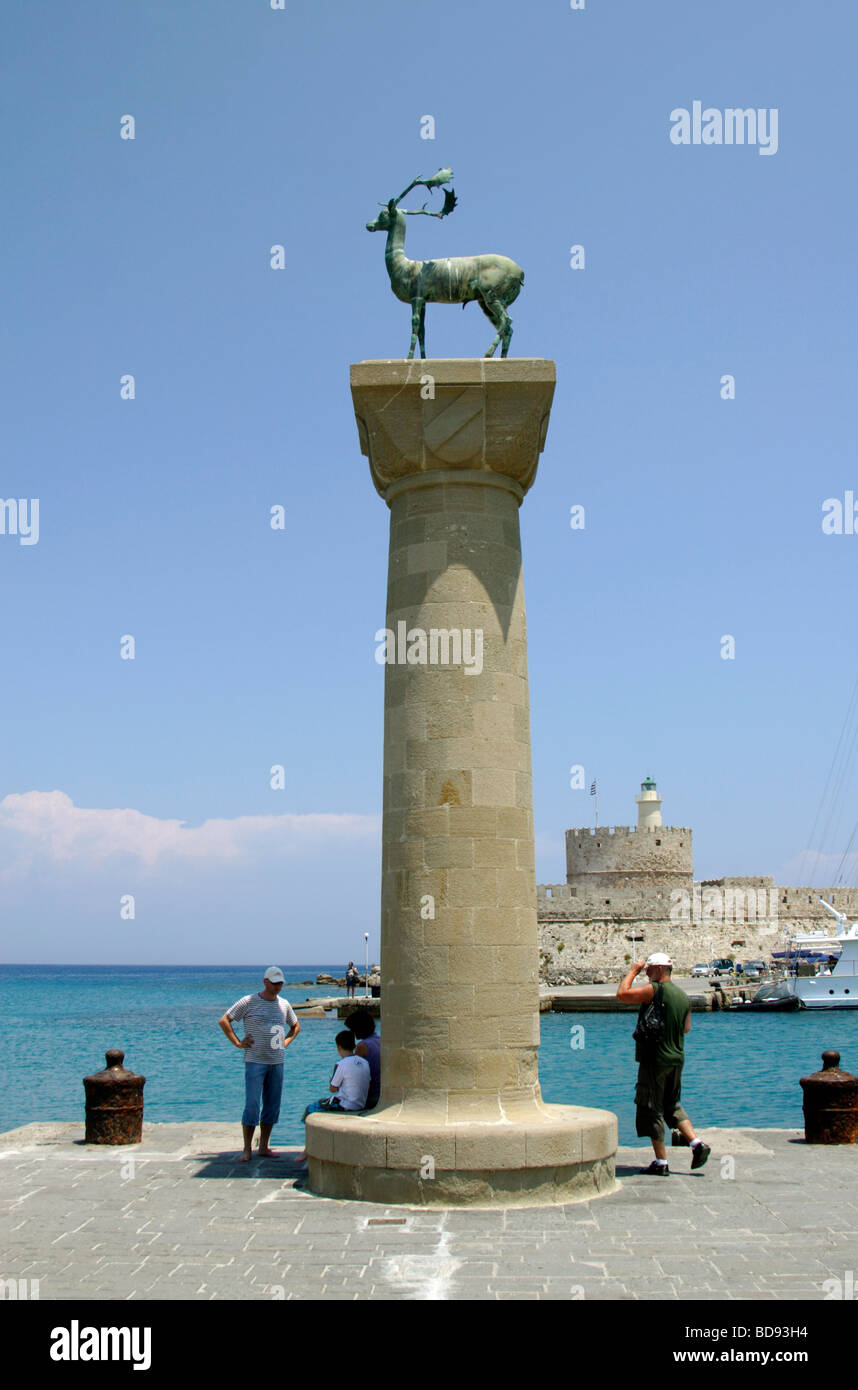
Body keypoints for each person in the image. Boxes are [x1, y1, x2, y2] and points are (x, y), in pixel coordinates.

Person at [616, 952, 710, 1176]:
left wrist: (632, 971)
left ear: (658, 969)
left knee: (651, 1107)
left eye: (648, 969)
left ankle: (661, 1162)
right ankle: (696, 1144)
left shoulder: (655, 990)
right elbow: (686, 1028)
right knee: (672, 1104)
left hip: (654, 1060)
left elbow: (622, 994)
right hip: (677, 1058)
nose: (646, 973)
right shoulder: (682, 996)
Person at [218, 967, 300, 1162]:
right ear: (265, 982)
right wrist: (238, 1043)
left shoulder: (284, 1005)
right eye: (274, 983)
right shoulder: (249, 1001)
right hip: (255, 1060)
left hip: (277, 1061)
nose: (278, 986)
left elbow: (295, 1026)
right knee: (252, 1105)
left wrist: (286, 1042)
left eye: (280, 983)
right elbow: (224, 1021)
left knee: (272, 1105)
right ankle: (247, 1148)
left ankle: (264, 1146)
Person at [345, 1007, 380, 1110]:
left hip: (371, 1098)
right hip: (380, 1095)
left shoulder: (362, 1047)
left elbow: (355, 1078)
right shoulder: (380, 1041)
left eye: (352, 1029)